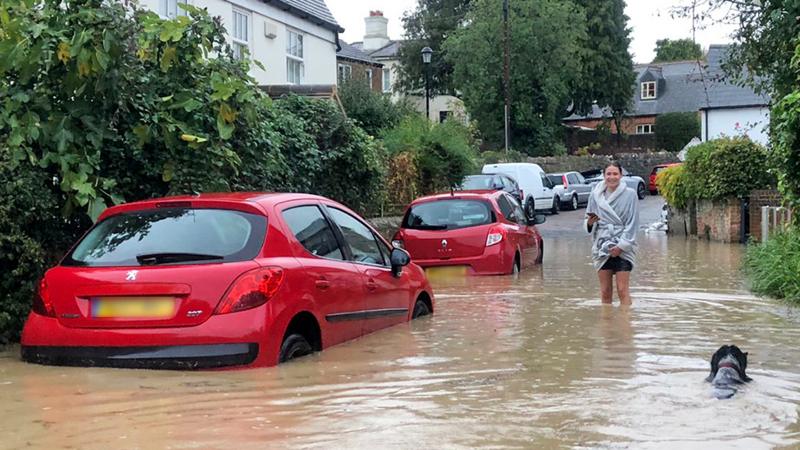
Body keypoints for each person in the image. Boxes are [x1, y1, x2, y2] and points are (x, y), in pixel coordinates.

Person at [584, 162, 639, 305]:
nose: (612, 177)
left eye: (615, 174)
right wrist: (589, 223)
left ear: (621, 175)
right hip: (602, 246)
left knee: (622, 290)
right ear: (604, 176)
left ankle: (625, 324)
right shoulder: (595, 195)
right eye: (609, 174)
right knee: (605, 291)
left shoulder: (630, 195)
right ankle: (607, 324)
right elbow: (588, 220)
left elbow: (632, 223)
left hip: (623, 246)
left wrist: (621, 246)